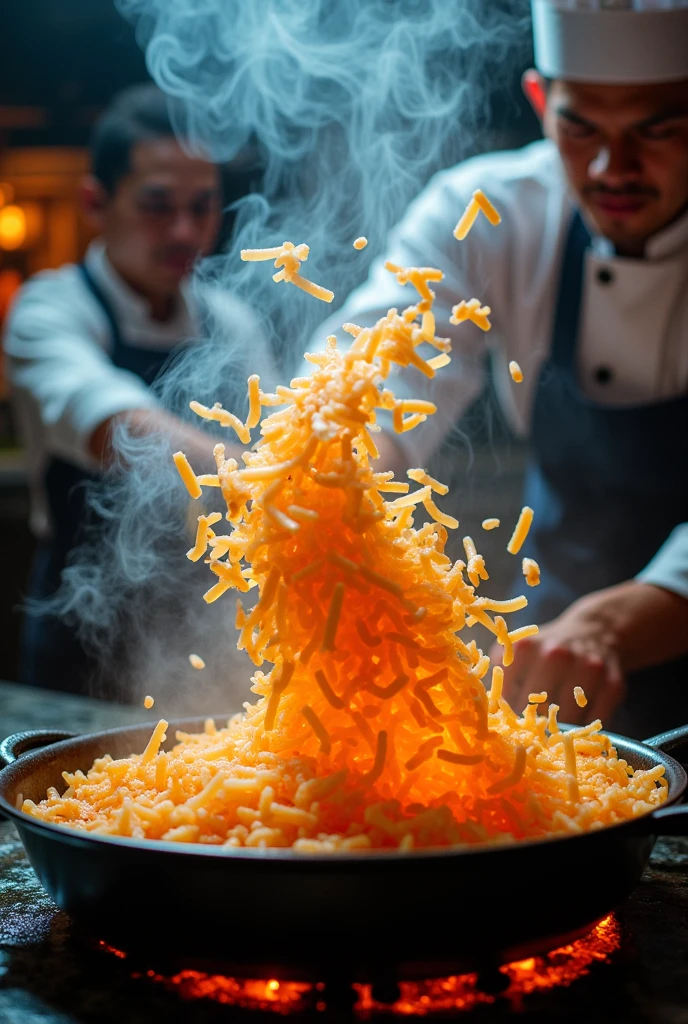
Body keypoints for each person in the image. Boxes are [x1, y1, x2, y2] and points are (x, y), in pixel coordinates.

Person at [316, 0, 688, 737]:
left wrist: (612, 625)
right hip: (544, 677)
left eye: (659, 129)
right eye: (580, 128)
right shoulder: (484, 209)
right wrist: (336, 487)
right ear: (539, 101)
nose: (614, 167)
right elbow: (374, 364)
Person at [4, 83, 268, 695]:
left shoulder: (230, 321)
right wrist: (265, 481)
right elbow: (114, 427)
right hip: (79, 643)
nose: (184, 231)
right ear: (95, 203)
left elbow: (275, 432)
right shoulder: (50, 309)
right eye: (157, 205)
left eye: (202, 207)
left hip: (205, 644)